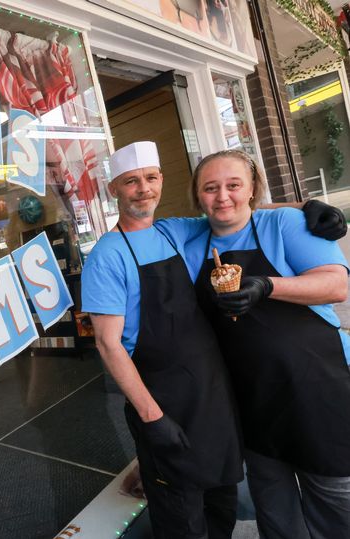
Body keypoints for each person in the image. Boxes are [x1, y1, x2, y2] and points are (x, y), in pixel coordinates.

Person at [184, 149, 350, 539]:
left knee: (336, 504)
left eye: (234, 185)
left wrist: (267, 285)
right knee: (275, 515)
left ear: (253, 188)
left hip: (316, 392)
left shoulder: (285, 223)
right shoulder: (191, 240)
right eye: (210, 188)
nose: (222, 196)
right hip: (253, 402)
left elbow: (336, 284)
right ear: (197, 196)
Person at [81, 141, 244, 538]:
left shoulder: (173, 232)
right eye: (131, 181)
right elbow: (108, 344)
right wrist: (152, 418)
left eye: (150, 178)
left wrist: (304, 211)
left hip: (209, 393)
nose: (144, 189)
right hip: (161, 399)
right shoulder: (107, 255)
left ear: (161, 181)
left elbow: (234, 212)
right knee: (181, 515)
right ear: (114, 189)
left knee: (222, 501)